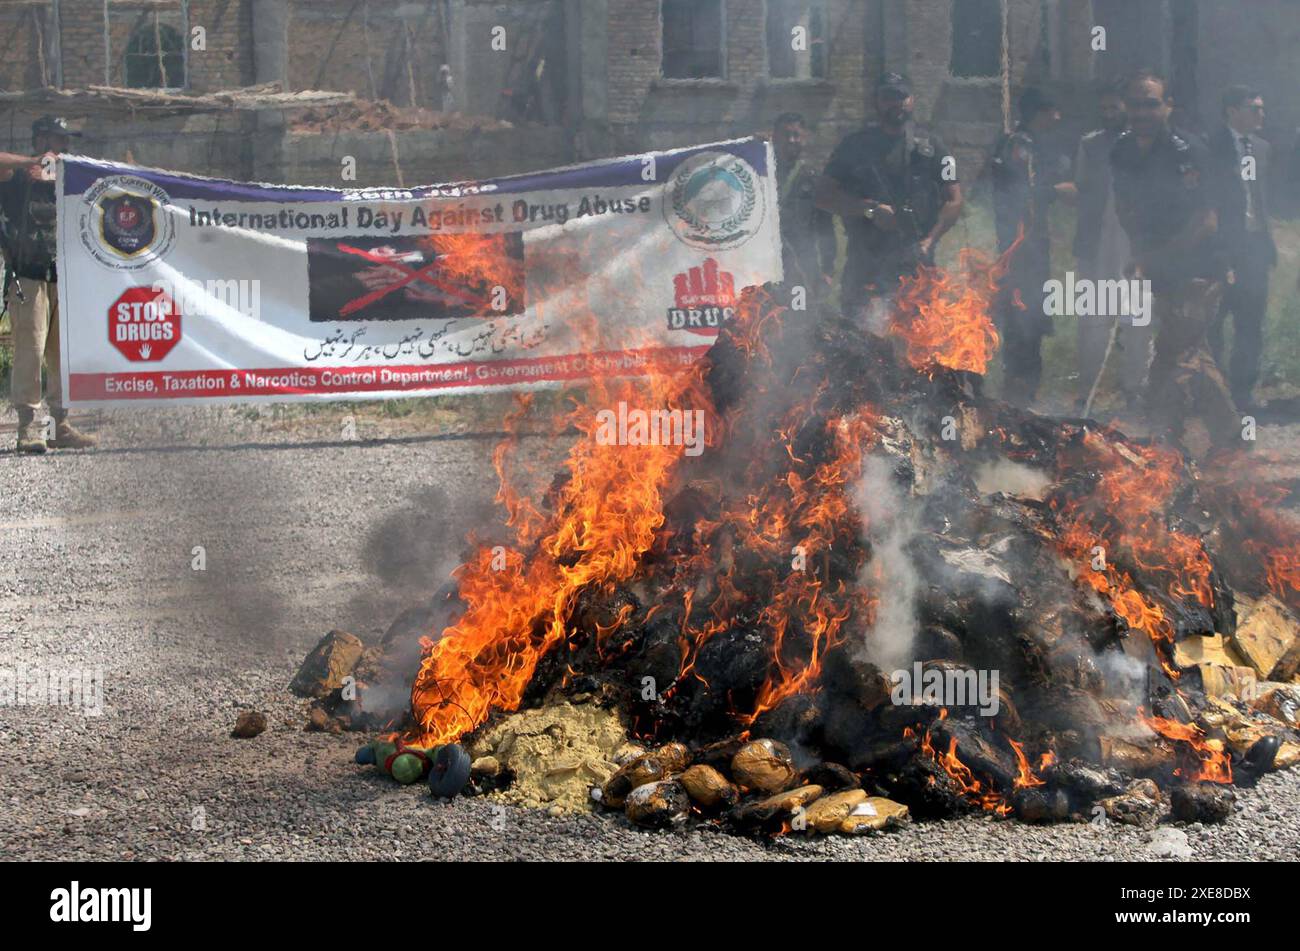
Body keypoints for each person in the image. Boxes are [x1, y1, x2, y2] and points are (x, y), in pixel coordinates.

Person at [1110, 71, 1238, 451]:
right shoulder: (1122, 150)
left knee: (1173, 353)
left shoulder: (1189, 151)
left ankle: (1164, 436)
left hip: (1200, 269)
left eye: (1151, 103)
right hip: (1160, 270)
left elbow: (1206, 221)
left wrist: (1154, 257)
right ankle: (1230, 435)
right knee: (1194, 352)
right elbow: (1125, 204)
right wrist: (1137, 254)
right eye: (1135, 104)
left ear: (1168, 107)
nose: (1142, 112)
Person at [815, 73, 962, 325]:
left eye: (901, 97)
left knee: (918, 348)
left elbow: (955, 200)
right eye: (888, 98)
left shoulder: (933, 148)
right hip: (866, 264)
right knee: (862, 345)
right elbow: (823, 196)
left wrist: (929, 241)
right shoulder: (854, 147)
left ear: (912, 100)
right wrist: (868, 209)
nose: (896, 104)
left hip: (915, 264)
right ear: (877, 102)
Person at [1, 115, 96, 453]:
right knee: (31, 349)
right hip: (28, 275)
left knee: (63, 354)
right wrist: (32, 163)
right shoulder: (16, 177)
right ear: (41, 140)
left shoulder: (69, 177)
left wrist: (56, 168)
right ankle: (29, 428)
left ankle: (59, 426)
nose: (65, 146)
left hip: (64, 275)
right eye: (59, 140)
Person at [990, 87, 1073, 406]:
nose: (1057, 117)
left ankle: (1023, 393)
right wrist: (1055, 190)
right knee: (1023, 318)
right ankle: (1017, 395)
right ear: (1037, 113)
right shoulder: (1020, 145)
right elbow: (1021, 189)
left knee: (1032, 320)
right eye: (1051, 110)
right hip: (1020, 250)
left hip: (1031, 247)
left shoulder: (1032, 144)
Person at [1073, 79, 1145, 414]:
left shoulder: (1145, 143)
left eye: (1114, 107)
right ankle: (1087, 388)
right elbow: (1083, 189)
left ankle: (1135, 390)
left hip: (1136, 243)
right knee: (1092, 318)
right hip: (1095, 241)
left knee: (1136, 318)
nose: (1108, 113)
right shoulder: (1090, 145)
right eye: (1103, 108)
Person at [1206, 85, 1276, 412]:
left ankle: (1243, 393)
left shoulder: (1262, 148)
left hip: (1255, 247)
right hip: (1221, 247)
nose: (1260, 114)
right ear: (1232, 111)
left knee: (1250, 324)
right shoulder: (1210, 146)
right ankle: (1211, 393)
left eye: (1261, 108)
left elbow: (1261, 198)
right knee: (1214, 322)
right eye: (1253, 108)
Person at [770, 112, 835, 297]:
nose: (791, 140)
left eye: (796, 135)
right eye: (785, 135)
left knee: (802, 320)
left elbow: (826, 227)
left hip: (803, 263)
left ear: (804, 138)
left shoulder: (812, 179)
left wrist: (828, 271)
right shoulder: (760, 173)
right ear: (774, 138)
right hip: (768, 264)